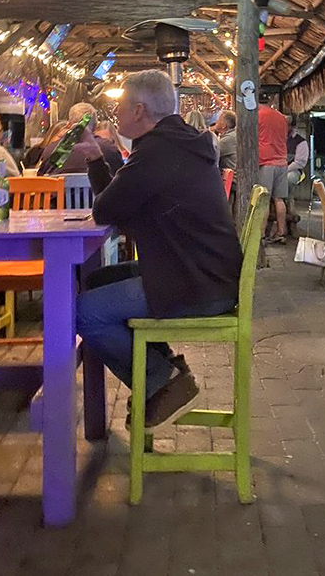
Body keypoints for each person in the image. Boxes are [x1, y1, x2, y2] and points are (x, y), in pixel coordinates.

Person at [73, 70, 242, 430]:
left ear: (138, 111)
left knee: (85, 312)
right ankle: (165, 370)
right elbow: (116, 207)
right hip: (203, 272)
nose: (115, 115)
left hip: (198, 284)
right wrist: (94, 157)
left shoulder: (157, 153)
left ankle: (158, 379)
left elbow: (105, 210)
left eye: (119, 107)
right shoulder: (175, 142)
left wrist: (94, 162)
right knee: (100, 279)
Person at [38, 102, 123, 175]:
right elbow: (122, 179)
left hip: (59, 194)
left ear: (69, 125)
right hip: (97, 194)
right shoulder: (109, 148)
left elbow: (41, 181)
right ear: (96, 127)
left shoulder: (52, 150)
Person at [257, 93, 288, 244]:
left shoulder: (257, 115)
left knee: (264, 199)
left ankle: (261, 234)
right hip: (282, 161)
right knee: (279, 199)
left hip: (266, 161)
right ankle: (281, 232)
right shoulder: (281, 117)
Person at [287, 115, 309, 193]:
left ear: (292, 126)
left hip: (293, 170)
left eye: (287, 125)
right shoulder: (277, 139)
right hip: (276, 169)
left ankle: (288, 202)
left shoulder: (300, 142)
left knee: (289, 179)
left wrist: (284, 170)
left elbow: (299, 163)